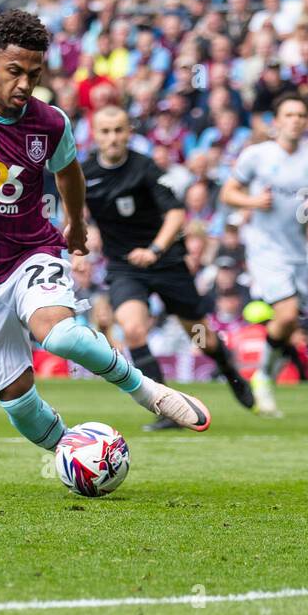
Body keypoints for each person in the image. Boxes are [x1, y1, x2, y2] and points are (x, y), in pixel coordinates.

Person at [0, 10, 211, 450]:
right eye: (14, 72)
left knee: (57, 332)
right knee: (17, 402)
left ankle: (150, 392)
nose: (23, 84)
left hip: (30, 252)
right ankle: (73, 454)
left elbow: (70, 173)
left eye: (33, 74)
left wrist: (75, 223)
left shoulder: (51, 121)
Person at [83, 105, 253, 429]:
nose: (113, 138)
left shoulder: (145, 167)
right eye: (105, 131)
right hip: (124, 266)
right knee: (132, 329)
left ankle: (229, 371)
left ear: (128, 132)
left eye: (119, 130)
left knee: (200, 336)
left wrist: (155, 249)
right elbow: (77, 212)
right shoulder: (86, 172)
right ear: (95, 134)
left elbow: (176, 214)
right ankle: (166, 408)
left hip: (166, 262)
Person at [219, 93, 308, 417]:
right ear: (277, 121)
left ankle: (264, 375)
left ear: (307, 121)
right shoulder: (257, 155)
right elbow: (228, 193)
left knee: (290, 322)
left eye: (300, 115)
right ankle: (262, 378)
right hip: (265, 248)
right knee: (287, 313)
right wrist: (253, 203)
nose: (294, 120)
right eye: (289, 114)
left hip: (297, 250)